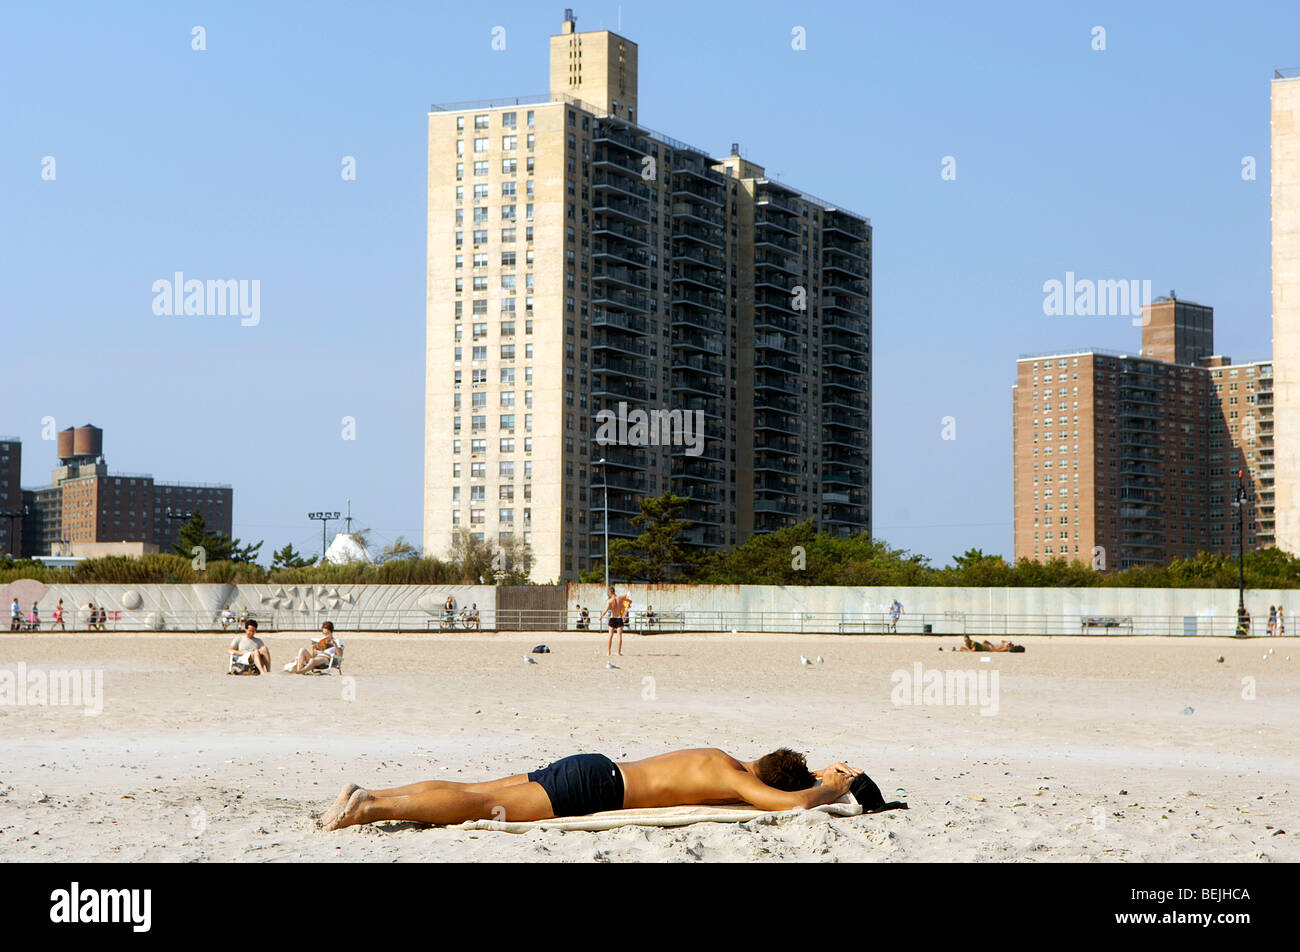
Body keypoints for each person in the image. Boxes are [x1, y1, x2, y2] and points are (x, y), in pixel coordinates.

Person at [322, 747, 865, 831]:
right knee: (478, 805)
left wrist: (818, 769)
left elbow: (782, 778)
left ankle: (370, 790)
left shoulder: (726, 759)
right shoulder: (736, 780)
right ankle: (370, 807)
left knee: (474, 787)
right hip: (594, 789)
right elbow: (790, 802)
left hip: (592, 767)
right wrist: (832, 788)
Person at [598, 586, 624, 657]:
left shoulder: (609, 601)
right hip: (619, 618)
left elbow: (605, 611)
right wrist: (627, 604)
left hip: (612, 618)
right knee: (619, 636)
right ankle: (618, 652)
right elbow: (629, 601)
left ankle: (609, 652)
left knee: (610, 636)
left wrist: (601, 617)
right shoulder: (621, 598)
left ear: (609, 592)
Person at [959, 634, 1024, 653]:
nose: (966, 641)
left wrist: (965, 649)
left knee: (999, 649)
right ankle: (1007, 644)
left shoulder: (973, 643)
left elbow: (973, 651)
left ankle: (1008, 646)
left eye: (966, 639)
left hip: (988, 648)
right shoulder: (967, 643)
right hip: (988, 646)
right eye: (965, 640)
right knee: (999, 646)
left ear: (969, 639)